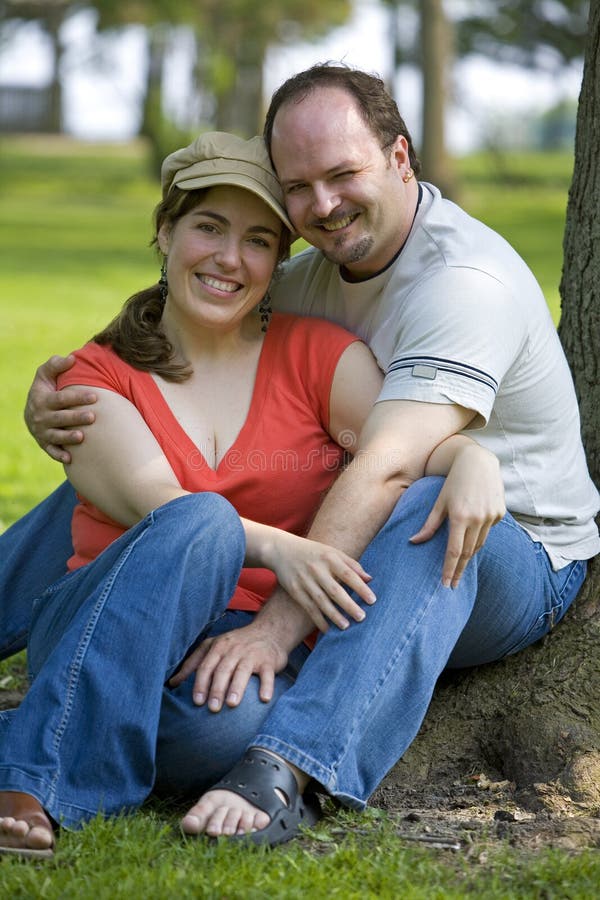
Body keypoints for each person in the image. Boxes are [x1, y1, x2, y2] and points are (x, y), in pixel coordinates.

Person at [5, 63, 600, 847]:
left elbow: (388, 467)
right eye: (300, 186)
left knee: (400, 507)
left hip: (505, 539)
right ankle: (63, 718)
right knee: (178, 499)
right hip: (325, 535)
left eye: (343, 174)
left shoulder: (464, 280)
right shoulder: (301, 278)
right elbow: (185, 339)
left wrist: (274, 631)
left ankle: (287, 767)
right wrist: (57, 403)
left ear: (399, 156)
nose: (323, 205)